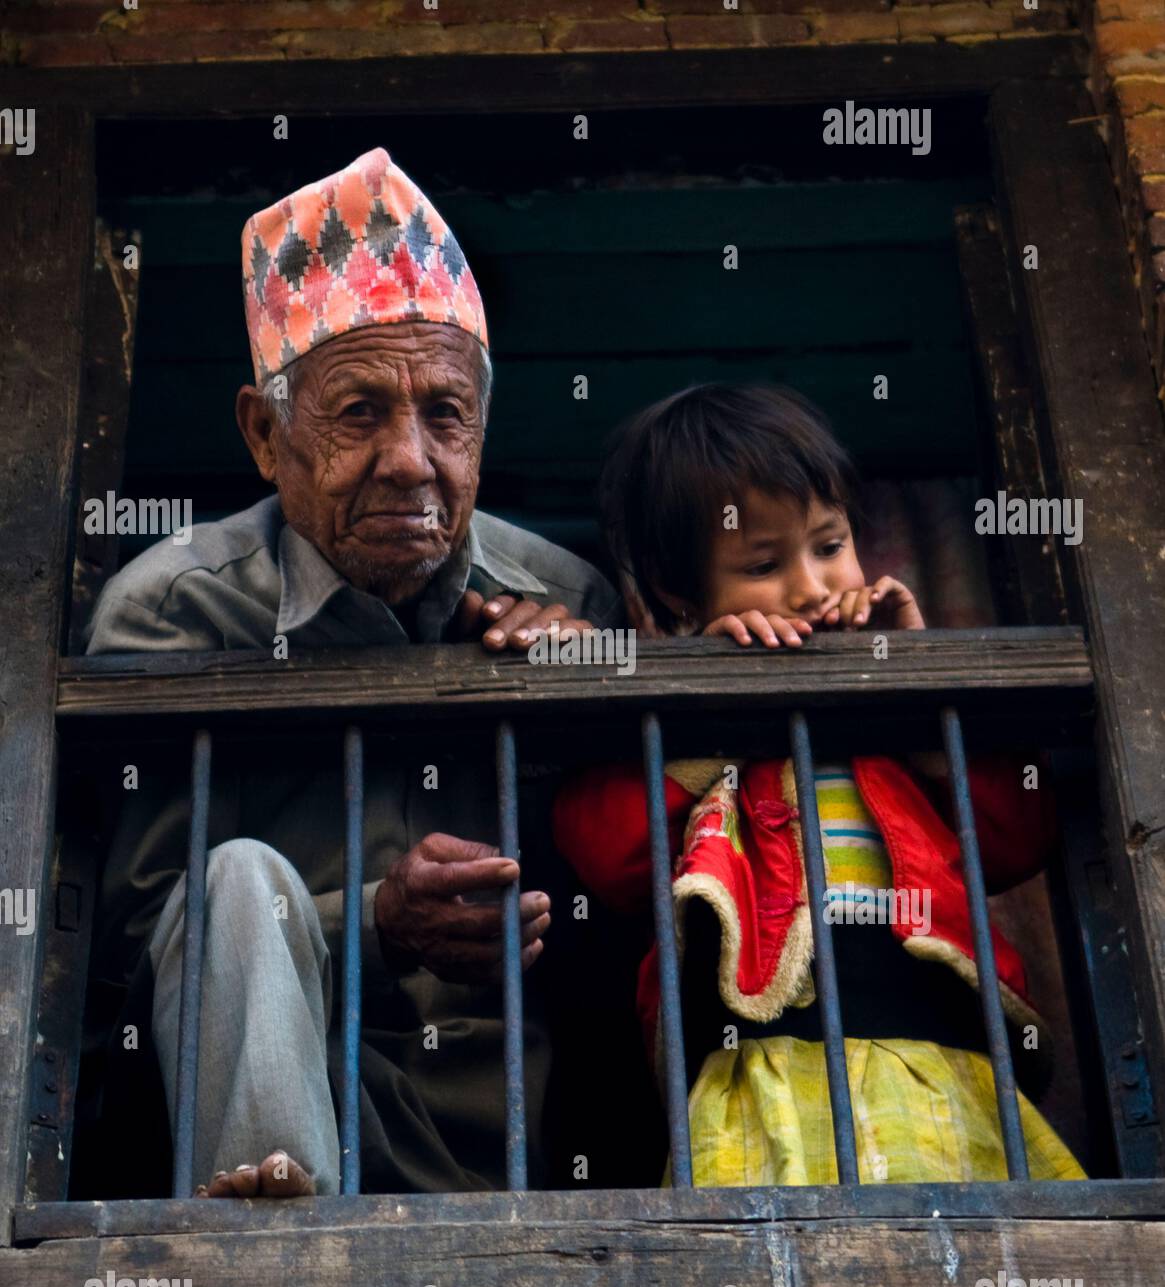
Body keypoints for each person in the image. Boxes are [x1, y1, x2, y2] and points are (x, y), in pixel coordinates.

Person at [86, 147, 622, 1198]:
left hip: (511, 1133)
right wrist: (372, 924)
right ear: (264, 435)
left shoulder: (564, 597)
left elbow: (631, 884)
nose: (411, 460)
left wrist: (594, 681)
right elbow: (130, 937)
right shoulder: (171, 610)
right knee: (236, 874)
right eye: (361, 412)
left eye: (445, 414)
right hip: (267, 1107)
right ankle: (275, 1224)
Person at [552, 382, 1085, 1185]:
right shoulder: (682, 732)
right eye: (763, 565)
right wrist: (714, 697)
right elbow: (606, 852)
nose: (810, 586)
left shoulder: (893, 731)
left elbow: (1017, 836)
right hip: (758, 1064)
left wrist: (915, 686)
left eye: (829, 545)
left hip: (940, 1060)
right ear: (678, 594)